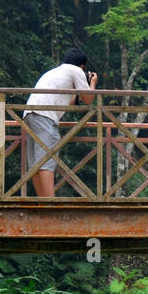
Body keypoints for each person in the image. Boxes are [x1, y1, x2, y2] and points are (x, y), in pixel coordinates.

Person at [23, 49, 97, 197]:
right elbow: (88, 99)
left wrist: (81, 92)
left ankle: (43, 202)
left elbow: (71, 101)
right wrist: (93, 83)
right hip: (45, 116)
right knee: (47, 161)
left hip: (29, 114)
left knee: (36, 165)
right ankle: (51, 203)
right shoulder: (76, 70)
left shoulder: (55, 72)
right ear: (82, 66)